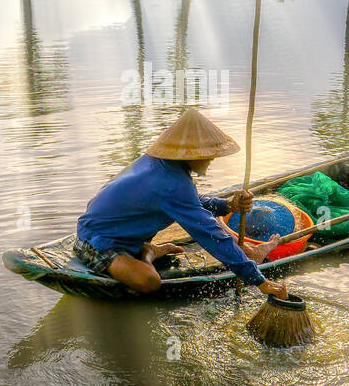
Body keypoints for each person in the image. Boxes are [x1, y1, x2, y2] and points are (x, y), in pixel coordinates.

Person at [74, 107, 290, 297]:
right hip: (96, 242)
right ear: (189, 154)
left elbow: (192, 202)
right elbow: (210, 234)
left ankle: (143, 249)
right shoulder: (171, 184)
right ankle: (147, 253)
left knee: (210, 224)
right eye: (206, 154)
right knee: (149, 281)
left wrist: (227, 206)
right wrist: (258, 280)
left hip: (114, 232)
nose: (211, 158)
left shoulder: (162, 166)